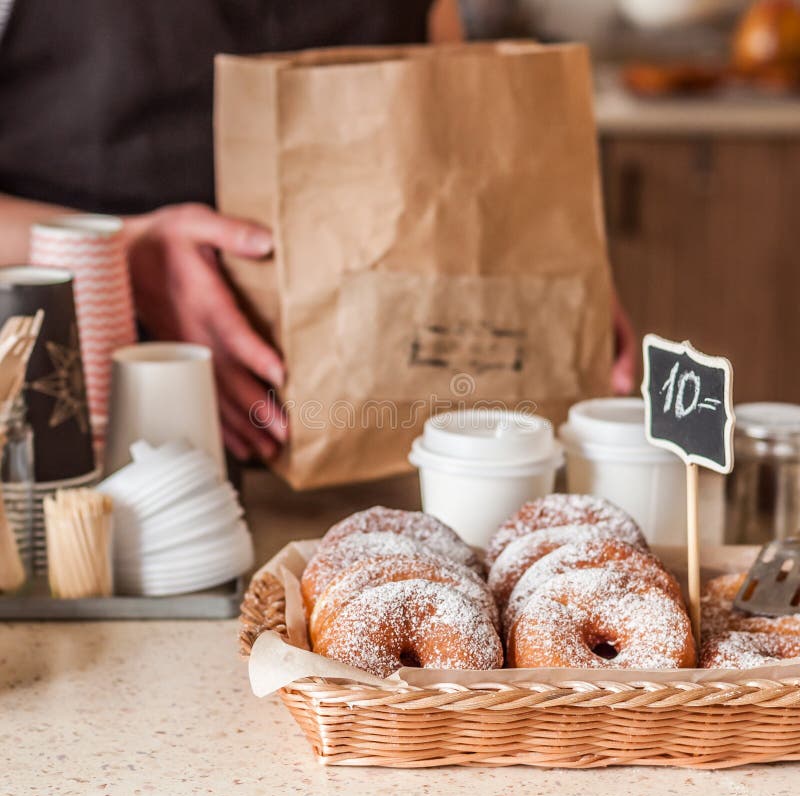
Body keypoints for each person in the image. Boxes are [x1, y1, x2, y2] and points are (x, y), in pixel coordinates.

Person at [0, 0, 633, 463]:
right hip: (77, 457)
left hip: (381, 437)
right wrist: (122, 251)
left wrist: (546, 263)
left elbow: (455, 135)